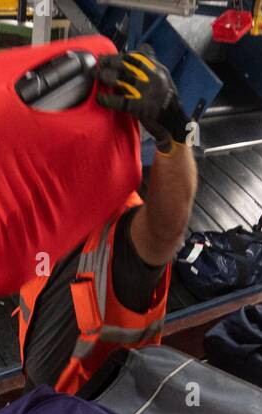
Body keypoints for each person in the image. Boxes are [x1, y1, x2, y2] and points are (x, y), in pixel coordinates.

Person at [17, 44, 199, 395]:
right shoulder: (48, 211)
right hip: (42, 407)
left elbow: (167, 229)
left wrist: (174, 133)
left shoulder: (121, 238)